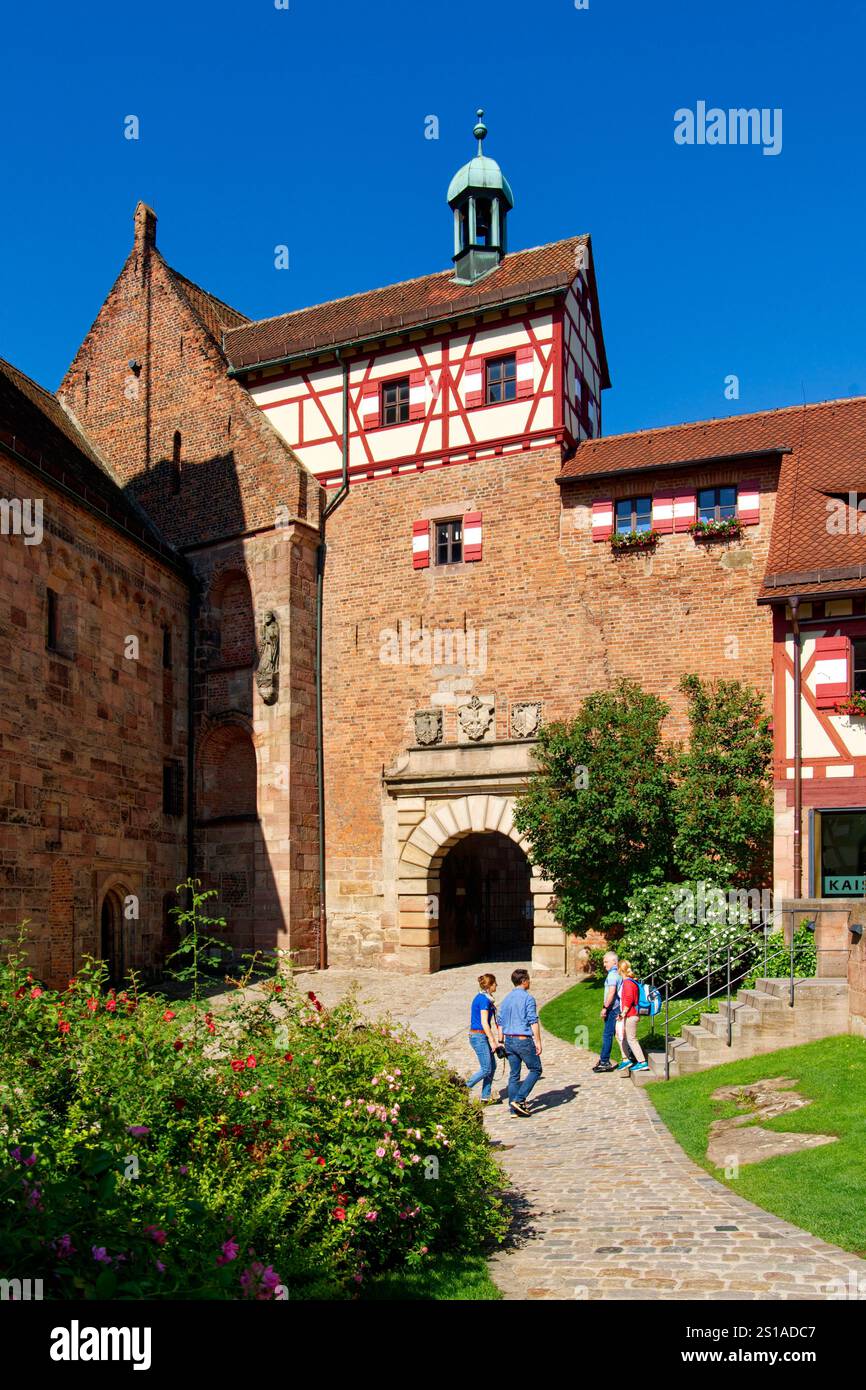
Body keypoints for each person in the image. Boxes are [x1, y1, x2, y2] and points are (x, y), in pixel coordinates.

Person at [498, 968, 542, 1117]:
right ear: (524, 981)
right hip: (522, 1039)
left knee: (514, 1075)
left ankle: (513, 1109)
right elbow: (533, 1021)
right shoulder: (528, 998)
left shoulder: (506, 999)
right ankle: (519, 1100)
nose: (530, 982)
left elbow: (500, 1021)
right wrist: (538, 1041)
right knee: (536, 1069)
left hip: (509, 1039)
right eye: (528, 979)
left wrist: (501, 1040)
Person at [466, 973, 502, 1104]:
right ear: (490, 985)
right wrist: (493, 1041)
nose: (496, 985)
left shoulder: (485, 998)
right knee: (486, 1068)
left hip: (481, 1035)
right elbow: (484, 1022)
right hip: (478, 1036)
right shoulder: (483, 1000)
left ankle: (485, 1097)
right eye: (495, 983)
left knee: (492, 1066)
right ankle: (463, 1088)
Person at [615, 960, 649, 1074]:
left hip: (631, 1015)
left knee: (631, 1039)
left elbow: (629, 998)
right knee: (623, 1036)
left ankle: (642, 1062)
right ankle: (627, 1060)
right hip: (631, 1014)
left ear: (620, 970)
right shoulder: (631, 981)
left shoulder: (628, 983)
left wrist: (623, 1013)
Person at [593, 950, 622, 1074]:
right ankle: (605, 1059)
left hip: (612, 1009)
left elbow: (611, 993)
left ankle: (604, 1061)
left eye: (606, 962)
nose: (604, 964)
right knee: (615, 1035)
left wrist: (605, 1007)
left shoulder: (612, 975)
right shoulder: (617, 974)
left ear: (614, 962)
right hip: (615, 1008)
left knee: (607, 1035)